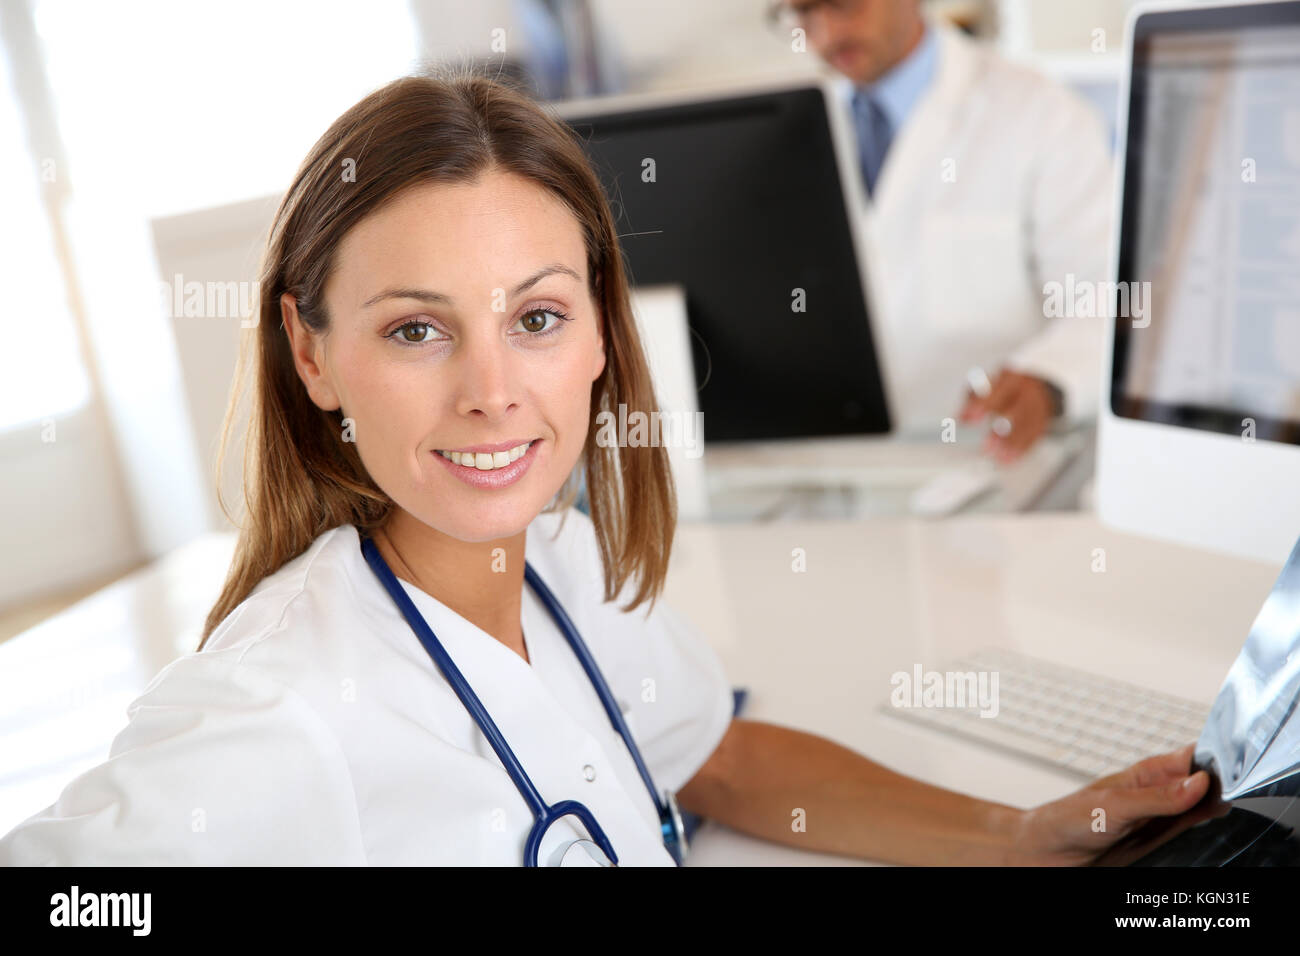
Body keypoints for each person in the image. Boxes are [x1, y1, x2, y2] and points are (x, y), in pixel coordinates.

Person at [0, 71, 1217, 866]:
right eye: (415, 329)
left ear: (598, 330)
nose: (491, 389)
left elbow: (723, 757)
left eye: (535, 317)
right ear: (311, 354)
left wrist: (1027, 831)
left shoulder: (564, 572)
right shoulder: (280, 705)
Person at [769, 0, 1114, 462]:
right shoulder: (784, 135)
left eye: (843, 5)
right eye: (803, 14)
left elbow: (1105, 298)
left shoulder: (1043, 115)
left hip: (1000, 471)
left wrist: (1048, 379)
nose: (826, 35)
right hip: (845, 471)